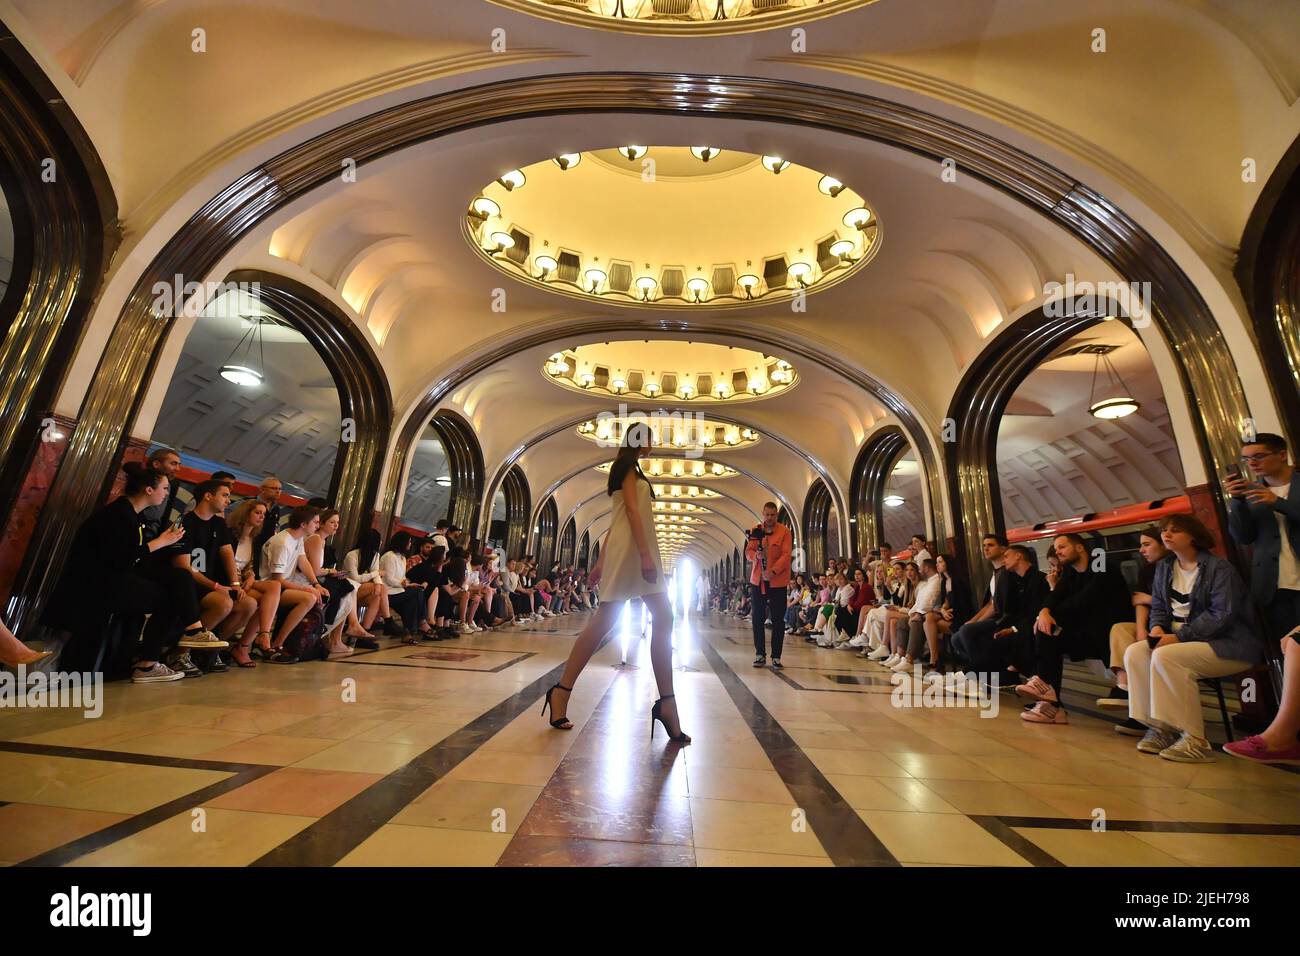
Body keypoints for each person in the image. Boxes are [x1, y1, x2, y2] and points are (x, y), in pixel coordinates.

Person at [543, 423, 689, 743]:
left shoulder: (631, 469)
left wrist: (599, 562)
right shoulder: (626, 467)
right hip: (635, 553)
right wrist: (645, 556)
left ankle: (665, 704)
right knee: (611, 620)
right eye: (650, 437)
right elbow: (632, 515)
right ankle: (562, 690)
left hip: (631, 550)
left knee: (638, 618)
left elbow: (617, 521)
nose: (654, 442)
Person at [46, 461, 225, 683]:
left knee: (179, 578)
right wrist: (160, 542)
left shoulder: (136, 516)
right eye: (165, 488)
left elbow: (138, 560)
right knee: (171, 594)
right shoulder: (117, 515)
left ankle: (188, 633)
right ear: (149, 490)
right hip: (96, 585)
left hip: (115, 579)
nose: (167, 493)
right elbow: (122, 557)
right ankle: (153, 660)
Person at [1125, 514, 1265, 762]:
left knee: (1167, 656)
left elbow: (1222, 615)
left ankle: (1194, 740)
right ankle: (1161, 728)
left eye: (1175, 530)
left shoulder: (1219, 568)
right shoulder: (1164, 567)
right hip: (1182, 640)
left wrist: (1178, 637)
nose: (1166, 535)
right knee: (1135, 652)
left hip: (1228, 644)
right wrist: (1157, 628)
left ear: (1193, 536)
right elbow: (1158, 606)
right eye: (1164, 530)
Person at [1016, 533, 1133, 724]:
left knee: (1050, 625)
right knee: (1046, 631)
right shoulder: (1070, 572)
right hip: (1090, 633)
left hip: (1110, 632)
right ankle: (1050, 703)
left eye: (1062, 547)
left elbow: (1087, 600)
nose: (1057, 551)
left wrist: (1051, 613)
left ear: (1079, 547)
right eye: (1056, 548)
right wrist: (1044, 611)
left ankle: (1045, 690)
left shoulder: (1100, 562)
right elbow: (1057, 595)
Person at [172, 478, 257, 676]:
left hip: (210, 583)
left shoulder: (218, 524)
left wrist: (235, 584)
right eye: (225, 495)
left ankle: (210, 649)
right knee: (224, 603)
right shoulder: (185, 522)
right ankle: (179, 654)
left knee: (248, 604)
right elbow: (183, 566)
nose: (228, 500)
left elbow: (227, 553)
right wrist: (217, 586)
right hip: (188, 584)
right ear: (208, 496)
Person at [1226, 432, 1300, 648]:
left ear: (1282, 454)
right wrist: (1238, 502)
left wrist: (1278, 502)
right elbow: (1243, 537)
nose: (1252, 463)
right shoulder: (1250, 491)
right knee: (1287, 650)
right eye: (1246, 459)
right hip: (1273, 585)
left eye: (1258, 456)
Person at [1099, 527, 1170, 735]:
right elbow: (1139, 602)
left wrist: (1150, 600)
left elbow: (1173, 602)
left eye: (1146, 544)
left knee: (1140, 651)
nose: (1141, 550)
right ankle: (1124, 686)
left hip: (1172, 626)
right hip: (1152, 623)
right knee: (1121, 629)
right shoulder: (1147, 570)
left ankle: (1143, 716)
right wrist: (1140, 629)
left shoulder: (1175, 567)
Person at [951, 545, 1047, 694]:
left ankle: (974, 677)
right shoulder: (1020, 580)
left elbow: (1032, 612)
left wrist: (1013, 629)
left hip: (1030, 628)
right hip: (1019, 626)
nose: (1004, 559)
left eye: (1007, 556)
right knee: (988, 639)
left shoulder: (1038, 579)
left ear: (1019, 556)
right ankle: (976, 677)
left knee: (994, 642)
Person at [258, 505, 327, 663]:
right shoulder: (282, 543)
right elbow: (276, 580)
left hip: (282, 585)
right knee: (308, 598)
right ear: (303, 524)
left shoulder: (298, 538)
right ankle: (277, 644)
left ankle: (284, 643)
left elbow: (303, 561)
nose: (317, 526)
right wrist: (307, 589)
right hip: (269, 587)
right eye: (315, 522)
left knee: (315, 595)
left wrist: (316, 584)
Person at [225, 499, 288, 666]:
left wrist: (251, 576)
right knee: (262, 598)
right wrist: (237, 582)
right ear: (245, 513)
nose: (262, 517)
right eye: (257, 513)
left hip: (244, 581)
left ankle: (260, 636)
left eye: (264, 514)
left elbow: (249, 567)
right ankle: (247, 644)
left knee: (274, 587)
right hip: (228, 582)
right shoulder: (229, 534)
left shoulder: (256, 540)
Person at [746, 501, 794, 668]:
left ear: (776, 515)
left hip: (777, 582)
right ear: (763, 514)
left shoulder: (785, 532)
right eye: (767, 514)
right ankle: (760, 654)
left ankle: (776, 656)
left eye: (773, 515)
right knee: (757, 618)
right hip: (757, 581)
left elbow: (786, 555)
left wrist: (773, 571)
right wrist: (756, 556)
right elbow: (748, 552)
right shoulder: (755, 530)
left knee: (777, 620)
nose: (770, 518)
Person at [253, 475, 284, 552]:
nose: (278, 491)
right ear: (262, 489)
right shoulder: (250, 503)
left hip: (265, 548)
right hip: (251, 544)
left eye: (280, 489)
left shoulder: (276, 508)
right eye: (274, 488)